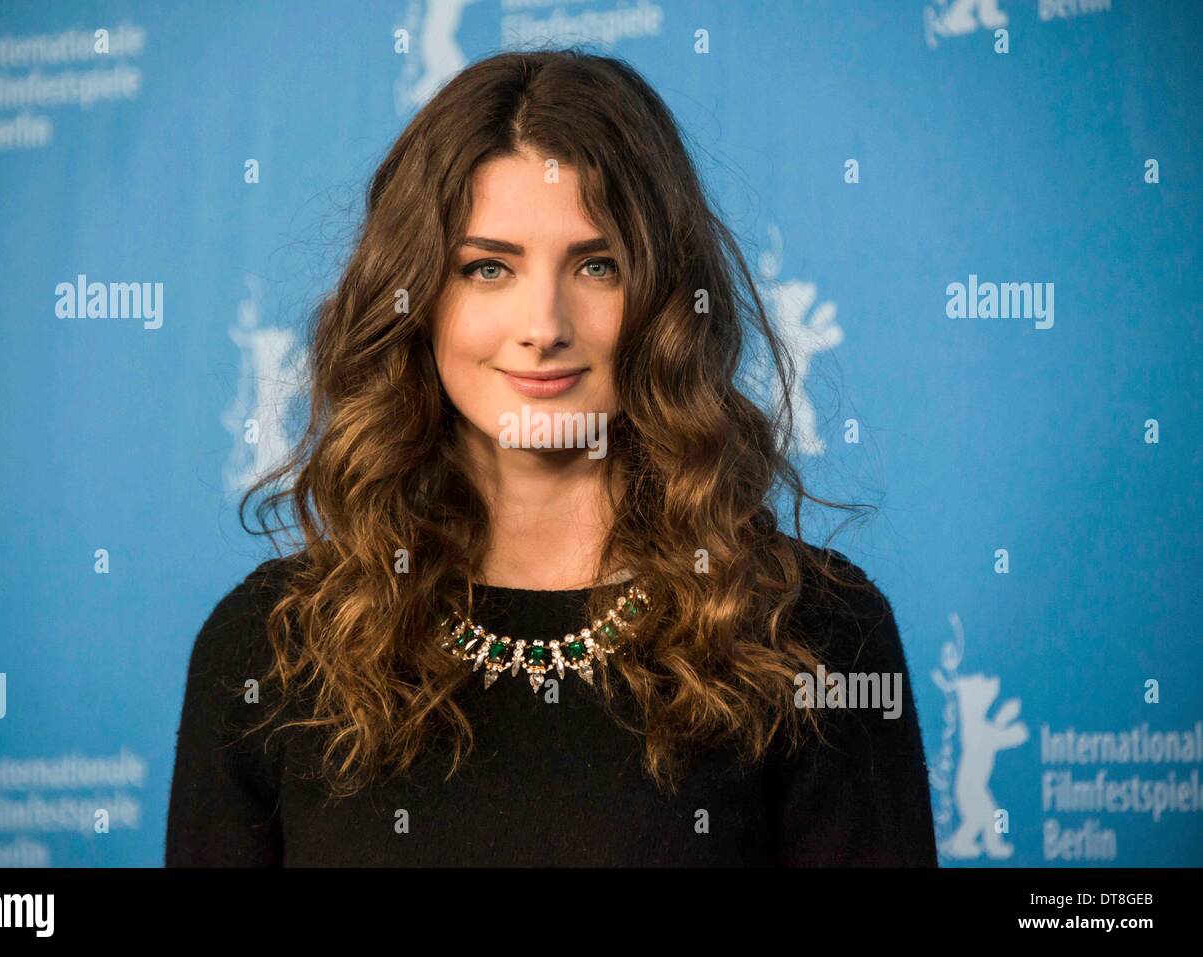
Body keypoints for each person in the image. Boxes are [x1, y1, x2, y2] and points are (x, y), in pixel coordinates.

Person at [165, 48, 937, 867]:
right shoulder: (268, 646)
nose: (544, 324)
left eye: (596, 265)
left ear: (667, 300)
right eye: (488, 268)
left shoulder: (811, 633)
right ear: (417, 297)